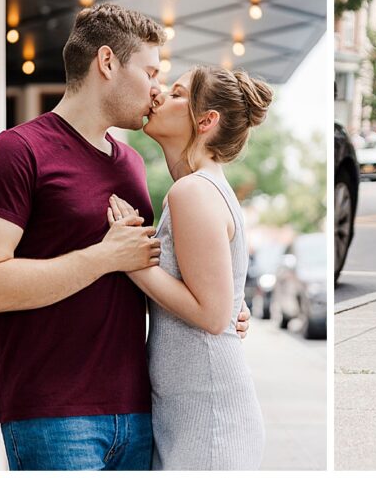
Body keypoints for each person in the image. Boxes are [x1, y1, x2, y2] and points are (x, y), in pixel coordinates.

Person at [0, 4, 249, 471]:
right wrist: (103, 257)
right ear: (108, 62)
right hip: (53, 415)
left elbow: (156, 263)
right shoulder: (16, 152)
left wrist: (226, 300)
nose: (156, 89)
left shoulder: (132, 166)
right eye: (151, 71)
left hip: (141, 414)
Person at [106, 65, 273, 469]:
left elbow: (213, 316)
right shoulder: (198, 188)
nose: (159, 95)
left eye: (177, 93)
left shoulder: (193, 191)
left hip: (209, 416)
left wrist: (129, 259)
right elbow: (221, 302)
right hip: (192, 411)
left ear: (206, 120)